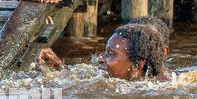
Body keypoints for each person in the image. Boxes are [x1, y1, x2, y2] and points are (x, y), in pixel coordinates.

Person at [36, 16, 172, 81]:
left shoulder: (163, 87)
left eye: (112, 54)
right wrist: (59, 67)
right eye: (105, 53)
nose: (100, 59)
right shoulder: (120, 80)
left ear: (140, 63)